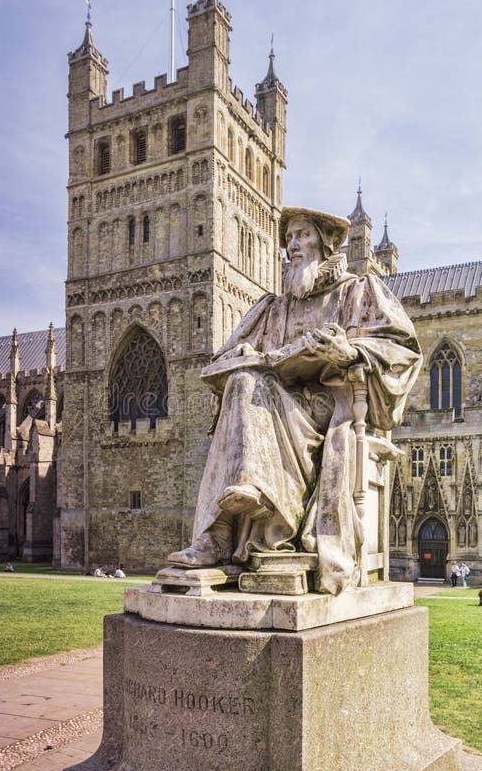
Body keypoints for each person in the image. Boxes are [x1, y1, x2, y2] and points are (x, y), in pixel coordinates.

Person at [168, 206, 422, 595]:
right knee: (241, 381)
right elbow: (221, 359)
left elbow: (403, 349)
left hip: (330, 408)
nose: (292, 246)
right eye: (288, 239)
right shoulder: (273, 308)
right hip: (276, 406)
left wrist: (349, 351)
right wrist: (247, 355)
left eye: (301, 235)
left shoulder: (358, 291)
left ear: (325, 242)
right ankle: (217, 532)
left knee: (252, 389)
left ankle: (251, 507)